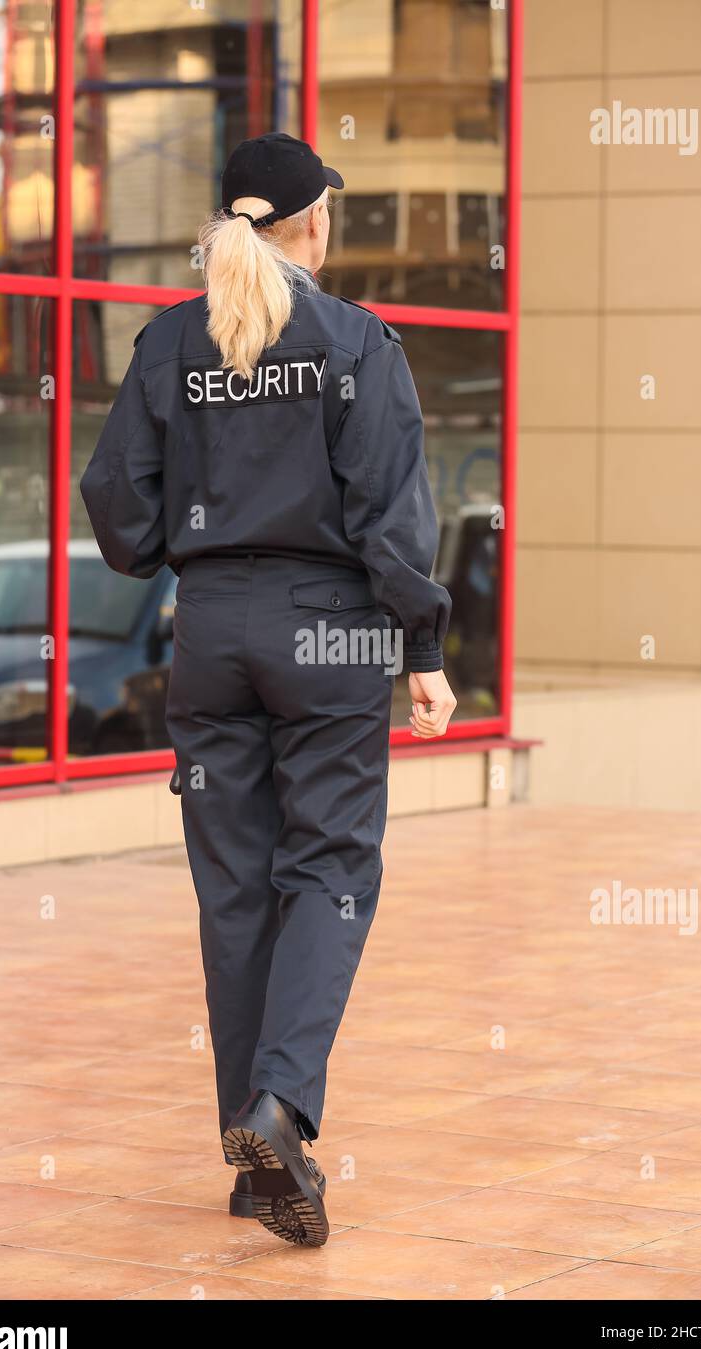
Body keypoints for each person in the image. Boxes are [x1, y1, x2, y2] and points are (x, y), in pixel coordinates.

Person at [80, 132, 456, 1247]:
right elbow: (391, 510)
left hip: (210, 636)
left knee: (236, 891)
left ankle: (255, 1168)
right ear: (312, 223)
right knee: (330, 869)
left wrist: (180, 549)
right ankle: (279, 1108)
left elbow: (116, 502)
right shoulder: (354, 341)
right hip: (329, 635)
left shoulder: (166, 343)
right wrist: (422, 648)